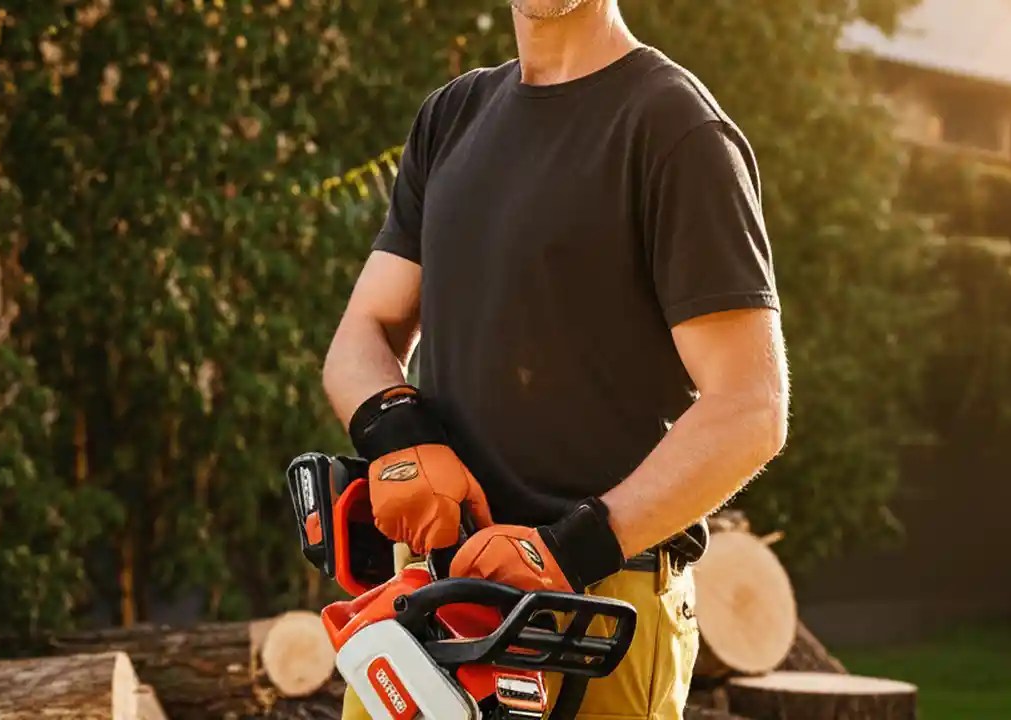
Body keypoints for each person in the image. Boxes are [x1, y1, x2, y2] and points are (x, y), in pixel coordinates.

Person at [322, 0, 789, 716]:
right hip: (432, 602)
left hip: (593, 612)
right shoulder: (452, 116)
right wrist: (398, 434)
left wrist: (570, 550)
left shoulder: (673, 127)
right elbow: (364, 333)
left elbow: (750, 407)